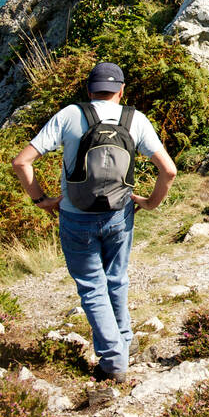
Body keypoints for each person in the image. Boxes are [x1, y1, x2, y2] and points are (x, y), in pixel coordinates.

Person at [11, 61, 176, 382]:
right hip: (120, 214)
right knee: (117, 279)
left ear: (89, 90)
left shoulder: (70, 116)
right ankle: (122, 344)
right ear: (121, 90)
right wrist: (149, 203)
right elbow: (168, 171)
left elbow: (22, 162)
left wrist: (41, 200)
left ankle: (114, 361)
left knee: (92, 287)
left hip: (75, 217)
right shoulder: (135, 119)